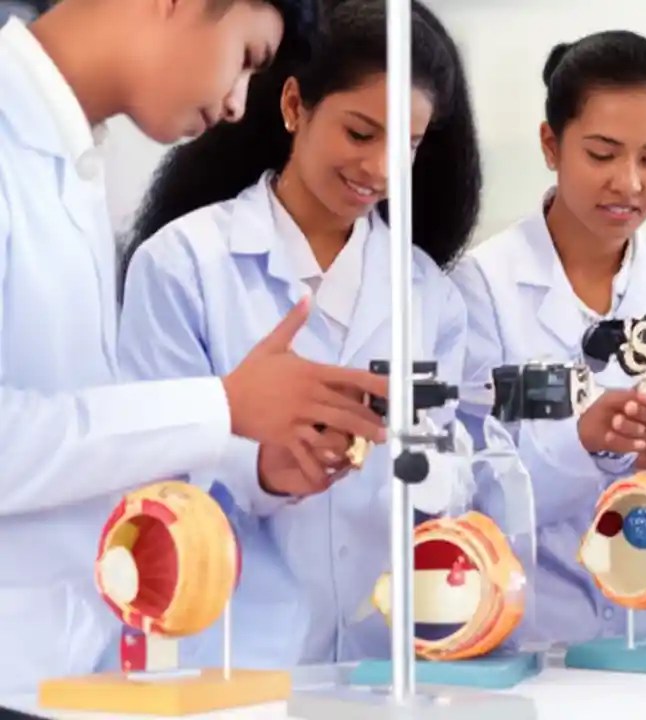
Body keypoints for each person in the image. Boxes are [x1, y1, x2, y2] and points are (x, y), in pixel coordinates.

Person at [0, 0, 397, 692]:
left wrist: (252, 458)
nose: (239, 104)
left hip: (67, 669)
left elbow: (74, 436)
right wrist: (222, 407)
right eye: (246, 57)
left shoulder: (71, 163)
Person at [117, 0, 480, 667]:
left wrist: (435, 468)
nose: (380, 169)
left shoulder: (429, 294)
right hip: (229, 659)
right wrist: (260, 468)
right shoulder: (184, 264)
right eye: (360, 133)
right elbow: (145, 470)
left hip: (383, 659)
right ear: (294, 105)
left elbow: (455, 469)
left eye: (406, 146)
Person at [450, 30, 646, 645]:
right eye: (602, 155)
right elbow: (468, 494)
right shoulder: (482, 287)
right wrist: (580, 444)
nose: (629, 183)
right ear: (551, 145)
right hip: (530, 637)